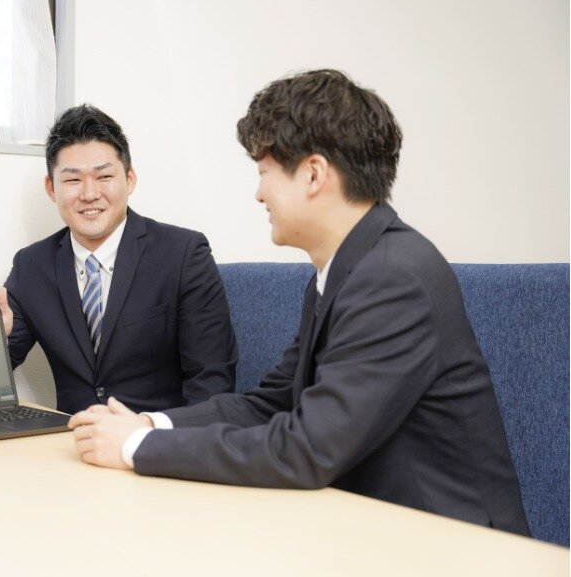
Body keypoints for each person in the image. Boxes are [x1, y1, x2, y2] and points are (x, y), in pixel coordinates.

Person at [68, 70, 529, 535]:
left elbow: (309, 449)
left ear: (313, 175)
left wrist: (137, 448)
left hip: (453, 542)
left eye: (264, 172)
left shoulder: (392, 277)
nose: (259, 193)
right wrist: (150, 424)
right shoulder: (345, 270)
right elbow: (271, 403)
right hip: (377, 526)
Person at [0, 104, 237, 414]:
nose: (89, 194)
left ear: (129, 179)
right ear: (51, 188)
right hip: (71, 437)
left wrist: (156, 437)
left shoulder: (183, 255)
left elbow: (211, 385)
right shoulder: (31, 266)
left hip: (155, 438)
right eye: (73, 180)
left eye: (104, 176)